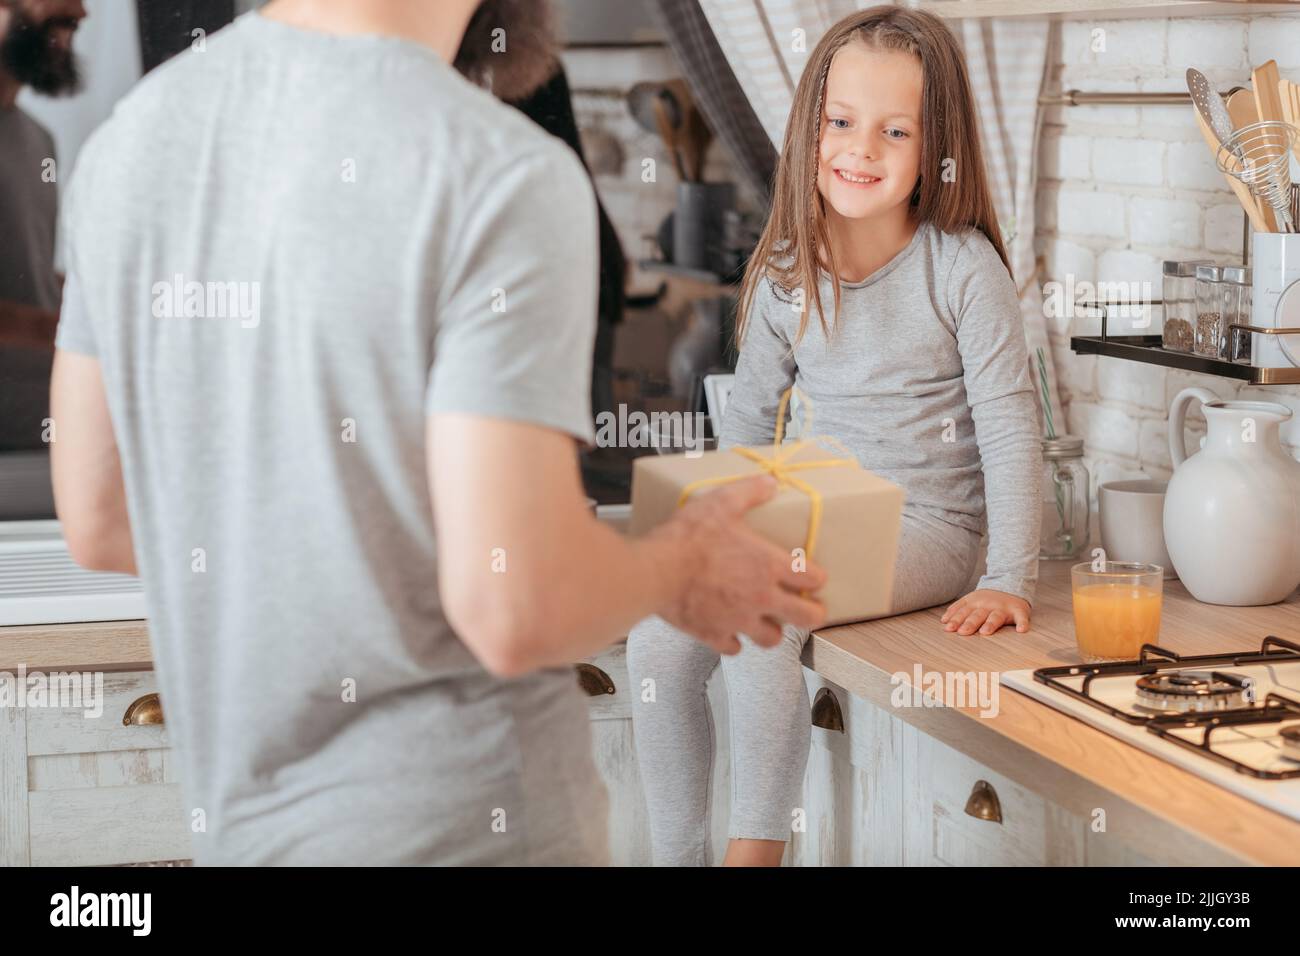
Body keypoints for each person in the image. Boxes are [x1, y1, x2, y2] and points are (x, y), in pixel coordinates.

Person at [49, 0, 827, 865]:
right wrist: (679, 564)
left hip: (248, 832)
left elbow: (101, 515)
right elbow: (514, 602)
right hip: (465, 831)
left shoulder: (133, 140)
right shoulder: (497, 171)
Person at [626, 5, 1042, 867]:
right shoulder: (787, 270)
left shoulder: (961, 267)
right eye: (841, 123)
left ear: (938, 149)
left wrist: (1009, 577)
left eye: (895, 131)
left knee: (760, 608)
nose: (861, 149)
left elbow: (1011, 429)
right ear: (808, 124)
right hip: (816, 512)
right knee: (658, 634)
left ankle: (756, 853)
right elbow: (747, 420)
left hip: (928, 527)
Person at [0, 0, 85, 451]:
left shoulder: (39, 139)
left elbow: (27, 276)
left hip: (47, 434)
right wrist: (75, 333)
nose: (84, 12)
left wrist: (99, 299)